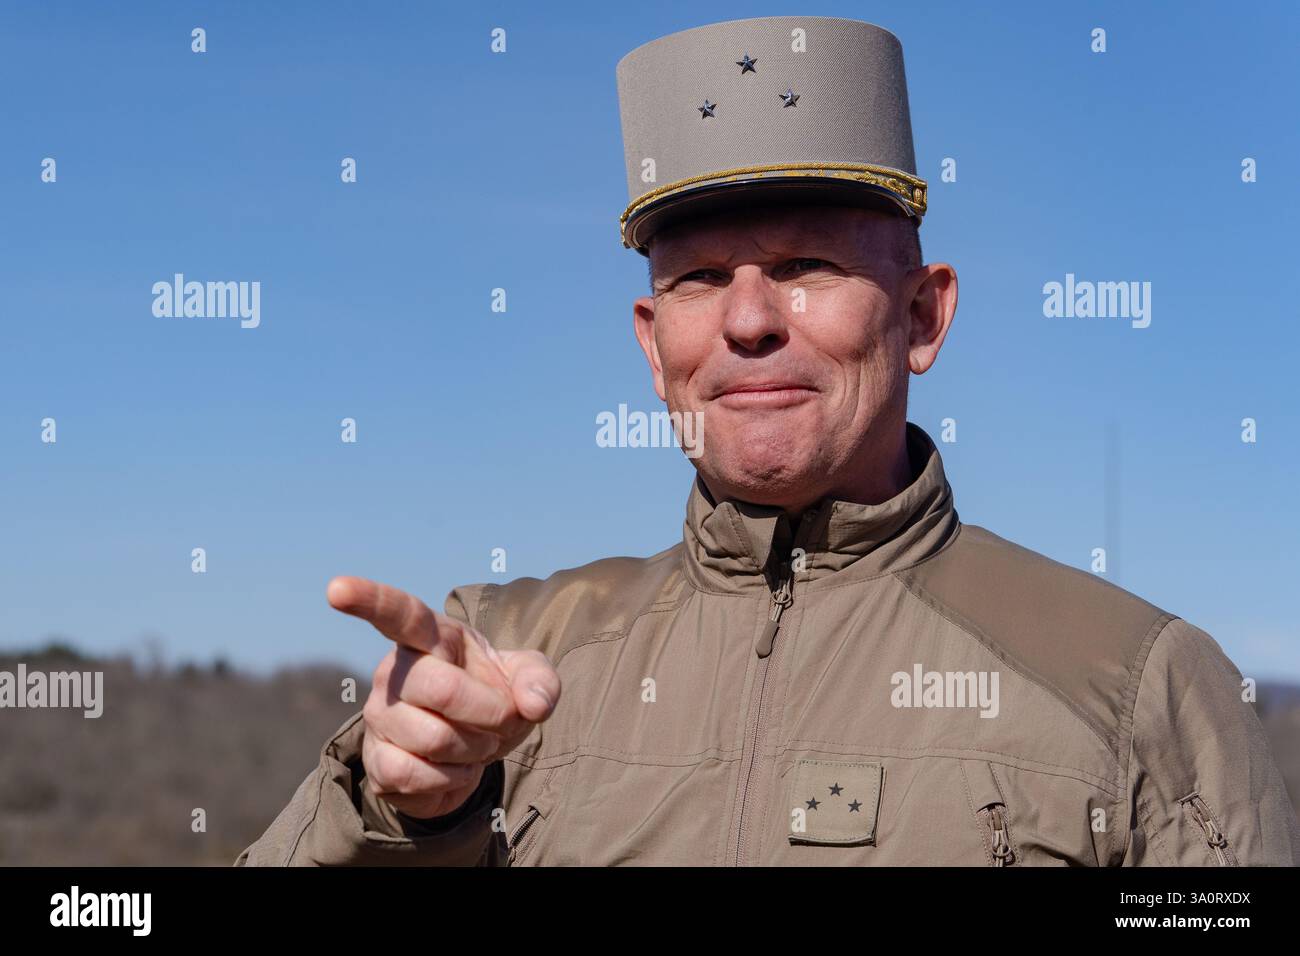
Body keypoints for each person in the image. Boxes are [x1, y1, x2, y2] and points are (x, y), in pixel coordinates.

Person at [236, 15, 1299, 866]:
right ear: (654, 347)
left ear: (922, 316)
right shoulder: (502, 658)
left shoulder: (1136, 682)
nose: (748, 319)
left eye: (804, 264)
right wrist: (407, 818)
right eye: (700, 277)